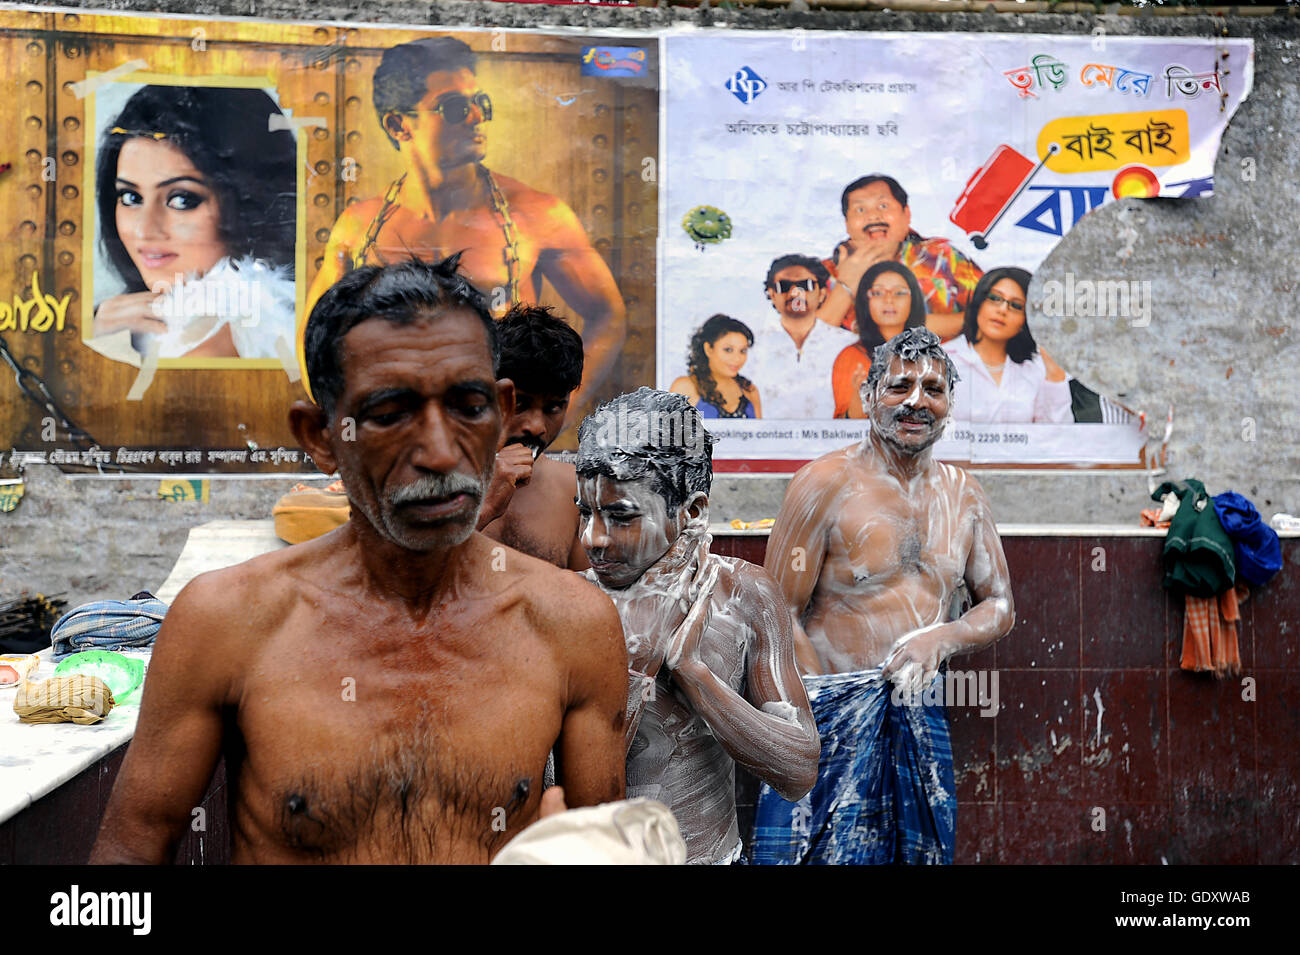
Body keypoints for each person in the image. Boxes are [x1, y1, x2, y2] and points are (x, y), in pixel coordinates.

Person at [90, 256, 628, 864]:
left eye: (468, 406)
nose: (439, 452)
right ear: (320, 436)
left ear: (500, 411)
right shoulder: (228, 620)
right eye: (390, 414)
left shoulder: (573, 624)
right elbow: (127, 859)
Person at [751, 328, 1015, 865]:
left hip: (917, 713)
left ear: (949, 405)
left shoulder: (963, 494)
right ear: (869, 395)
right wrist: (826, 710)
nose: (916, 402)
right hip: (824, 721)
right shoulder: (822, 483)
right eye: (899, 386)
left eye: (933, 390)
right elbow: (775, 614)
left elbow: (1001, 605)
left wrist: (942, 639)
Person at [305, 36, 625, 413]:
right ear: (398, 124)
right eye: (455, 107)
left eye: (480, 103)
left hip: (498, 437)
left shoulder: (537, 215)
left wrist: (554, 412)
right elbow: (314, 331)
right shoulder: (358, 229)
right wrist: (348, 417)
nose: (477, 117)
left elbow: (608, 313)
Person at [576, 388, 820, 864]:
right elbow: (568, 803)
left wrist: (694, 675)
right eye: (584, 512)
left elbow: (798, 771)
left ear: (691, 512)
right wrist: (641, 660)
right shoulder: (568, 605)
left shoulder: (742, 594)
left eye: (620, 516)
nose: (592, 539)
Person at [92, 85, 297, 360]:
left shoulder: (225, 339)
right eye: (130, 197)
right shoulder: (112, 325)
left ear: (252, 205)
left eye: (182, 200)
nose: (144, 229)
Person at [477, 303, 589, 569]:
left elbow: (587, 600)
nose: (537, 427)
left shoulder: (576, 491)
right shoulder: (433, 480)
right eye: (520, 404)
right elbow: (403, 586)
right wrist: (483, 507)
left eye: (553, 407)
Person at [816, 174, 982, 341]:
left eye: (883, 206)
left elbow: (995, 314)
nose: (873, 216)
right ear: (847, 223)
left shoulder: (943, 257)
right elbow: (806, 348)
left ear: (906, 214)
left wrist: (912, 325)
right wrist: (845, 285)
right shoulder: (819, 275)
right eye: (860, 209)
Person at [943, 267, 1072, 424]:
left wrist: (1054, 373)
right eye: (995, 298)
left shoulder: (1034, 369)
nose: (1002, 310)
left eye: (1016, 306)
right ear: (979, 304)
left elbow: (1055, 436)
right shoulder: (942, 361)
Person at [743, 254, 857, 419]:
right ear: (772, 294)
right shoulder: (749, 348)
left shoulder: (849, 346)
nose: (795, 292)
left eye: (806, 285)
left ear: (822, 294)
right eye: (784, 286)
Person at [832, 261, 928, 418]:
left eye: (899, 293)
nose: (889, 300)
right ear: (865, 301)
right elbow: (843, 428)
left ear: (914, 300)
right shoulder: (852, 358)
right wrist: (859, 399)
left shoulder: (930, 354)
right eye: (878, 293)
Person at [669, 314, 761, 419]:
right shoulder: (685, 387)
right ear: (708, 349)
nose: (737, 359)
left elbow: (761, 434)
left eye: (743, 351)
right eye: (728, 350)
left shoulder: (749, 391)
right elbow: (668, 434)